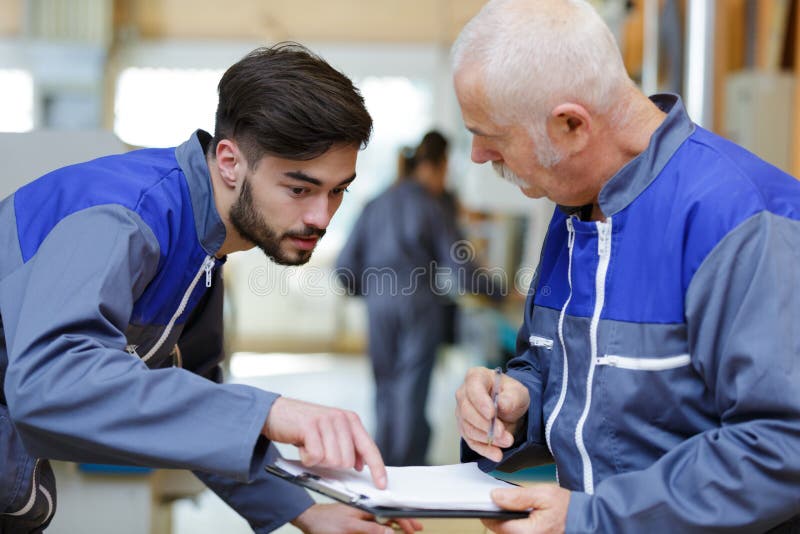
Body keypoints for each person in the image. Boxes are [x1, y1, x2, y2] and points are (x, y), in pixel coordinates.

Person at [0, 43, 421, 534]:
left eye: (338, 190)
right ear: (229, 161)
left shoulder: (201, 242)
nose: (321, 217)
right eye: (300, 189)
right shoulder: (125, 218)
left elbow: (196, 393)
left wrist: (302, 509)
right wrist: (270, 411)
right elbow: (51, 381)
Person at [451, 1, 800, 532]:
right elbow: (574, 377)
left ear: (571, 124)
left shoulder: (744, 222)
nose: (477, 155)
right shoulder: (575, 210)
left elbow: (783, 441)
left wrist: (595, 519)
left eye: (492, 137)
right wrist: (521, 403)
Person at [336, 130, 501, 467]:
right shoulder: (434, 206)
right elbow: (462, 267)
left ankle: (384, 465)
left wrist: (369, 293)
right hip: (420, 304)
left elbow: (344, 267)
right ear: (439, 166)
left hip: (378, 302)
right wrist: (498, 293)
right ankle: (407, 474)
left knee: (385, 387)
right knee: (411, 390)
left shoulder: (376, 202)